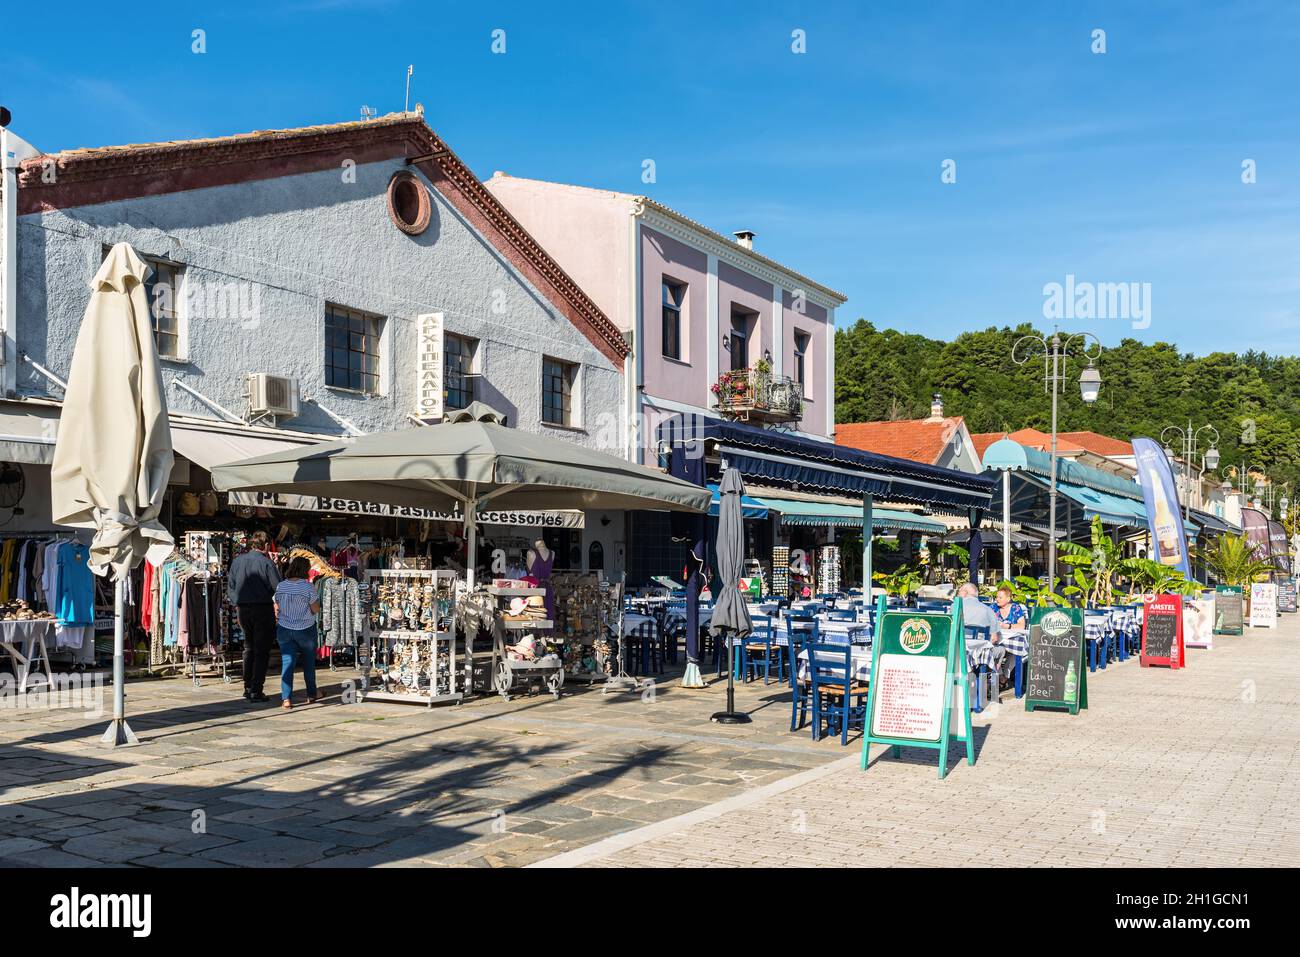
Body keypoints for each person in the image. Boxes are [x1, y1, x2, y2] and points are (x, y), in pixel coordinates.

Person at [227, 531, 281, 703]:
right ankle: (256, 689)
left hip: (243, 609)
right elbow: (278, 587)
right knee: (261, 650)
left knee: (248, 647)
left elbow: (230, 587)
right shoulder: (266, 563)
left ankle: (248, 686)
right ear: (265, 546)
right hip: (262, 609)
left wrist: (239, 601)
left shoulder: (237, 562)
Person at [273, 556, 321, 709]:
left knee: (287, 663)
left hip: (285, 628)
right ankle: (311, 694)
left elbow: (276, 607)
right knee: (308, 663)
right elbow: (315, 609)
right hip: (305, 629)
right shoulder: (308, 587)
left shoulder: (281, 586)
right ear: (305, 570)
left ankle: (286, 698)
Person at [957, 583, 1005, 705]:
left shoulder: (955, 607)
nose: (958, 593)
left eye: (959, 591)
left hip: (959, 651)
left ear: (964, 593)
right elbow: (994, 638)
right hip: (981, 656)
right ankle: (991, 687)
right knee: (1001, 650)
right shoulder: (988, 610)